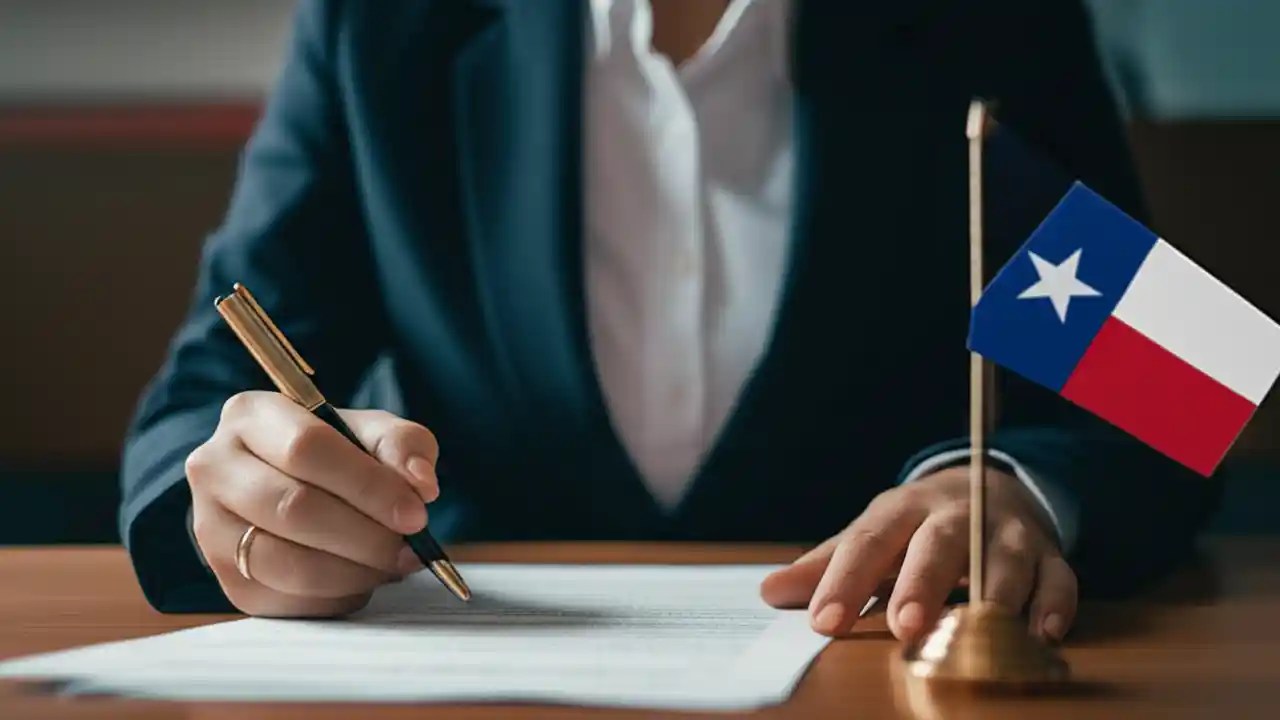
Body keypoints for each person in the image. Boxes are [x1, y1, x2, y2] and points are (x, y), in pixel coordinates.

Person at [121, 0, 1216, 643]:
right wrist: (252, 498)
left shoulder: (990, 20)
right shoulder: (385, 25)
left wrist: (1009, 489)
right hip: (481, 677)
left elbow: (1168, 383)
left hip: (884, 669)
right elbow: (203, 404)